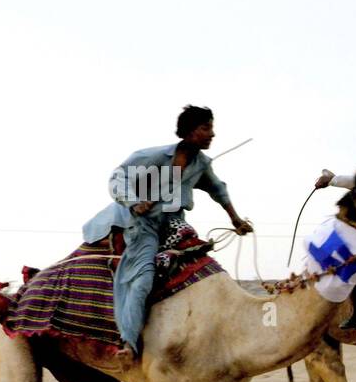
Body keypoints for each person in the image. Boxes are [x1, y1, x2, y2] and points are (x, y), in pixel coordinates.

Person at [82, 105, 252, 361]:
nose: (212, 134)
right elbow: (118, 177)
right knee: (142, 279)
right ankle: (128, 342)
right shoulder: (153, 156)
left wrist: (236, 220)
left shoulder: (201, 164)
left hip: (173, 221)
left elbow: (218, 189)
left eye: (211, 128)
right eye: (206, 128)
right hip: (143, 223)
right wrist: (134, 202)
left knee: (199, 259)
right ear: (189, 131)